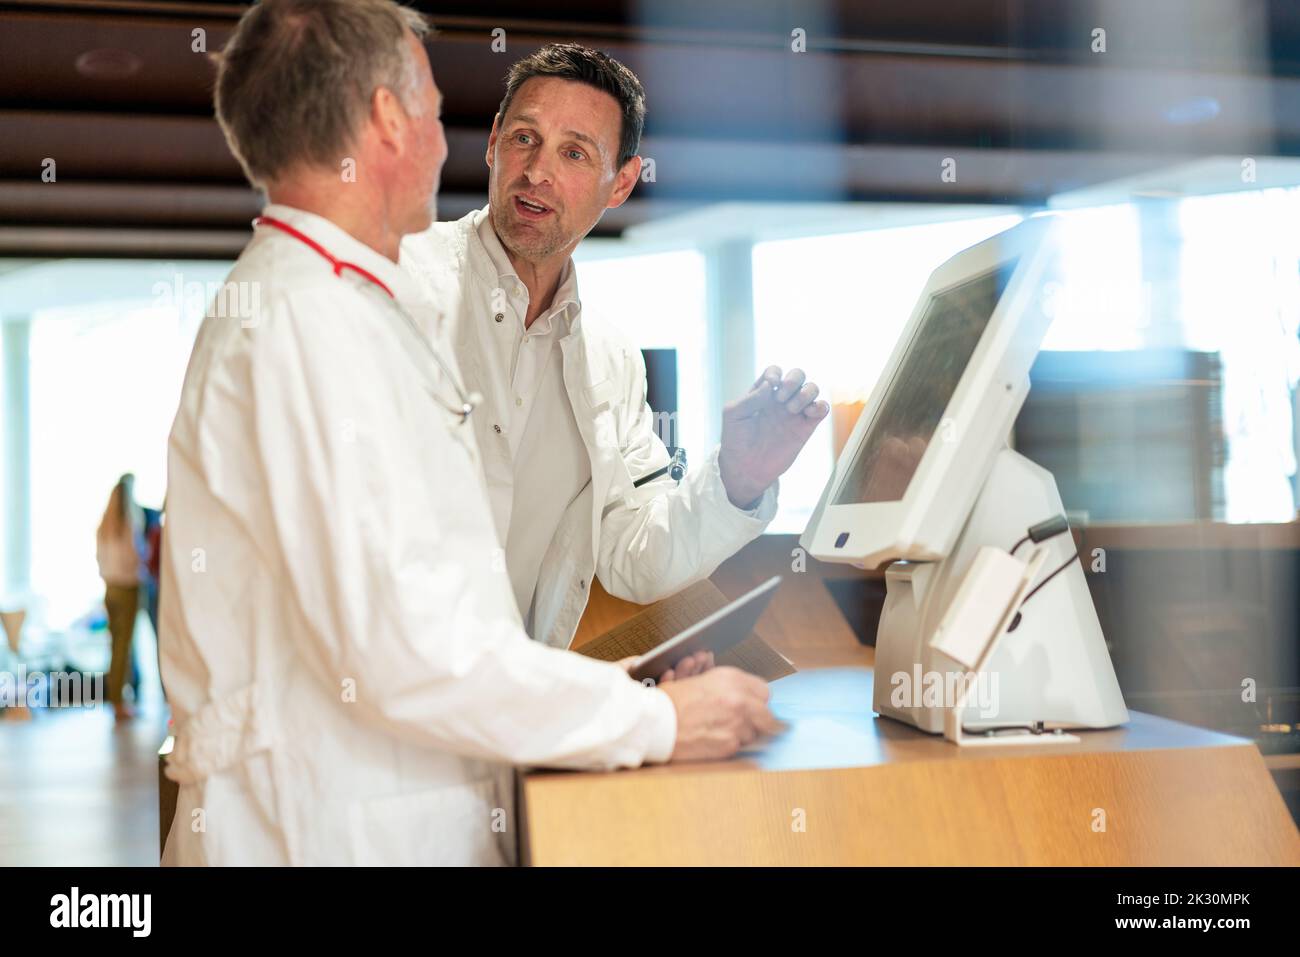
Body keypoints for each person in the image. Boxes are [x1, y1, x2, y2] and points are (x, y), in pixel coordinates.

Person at [158, 0, 777, 867]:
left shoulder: (333, 304)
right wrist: (653, 718)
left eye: (575, 152)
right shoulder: (312, 322)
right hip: (324, 825)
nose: (450, 141)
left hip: (398, 796)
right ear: (385, 119)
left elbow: (440, 617)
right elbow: (405, 647)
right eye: (437, 107)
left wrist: (602, 696)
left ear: (620, 178)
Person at [401, 44, 830, 648]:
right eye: (525, 138)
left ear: (621, 182)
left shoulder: (611, 359)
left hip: (502, 709)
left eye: (574, 152)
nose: (538, 172)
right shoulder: (394, 281)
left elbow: (638, 557)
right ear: (494, 142)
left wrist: (738, 478)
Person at [95, 473, 143, 722]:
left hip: (109, 588)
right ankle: (119, 702)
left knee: (115, 645)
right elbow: (136, 557)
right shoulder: (129, 523)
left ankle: (117, 697)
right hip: (127, 588)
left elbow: (99, 560)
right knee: (124, 646)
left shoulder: (104, 526)